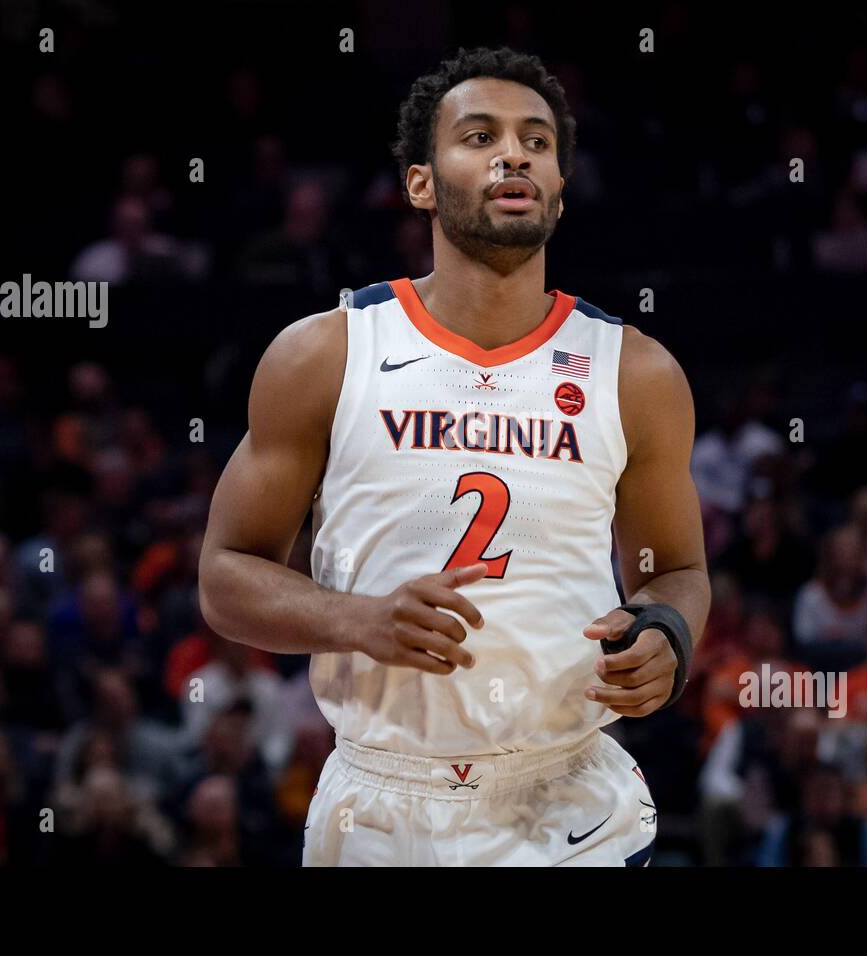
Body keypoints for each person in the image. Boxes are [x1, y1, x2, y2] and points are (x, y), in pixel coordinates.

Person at [199, 47, 710, 867]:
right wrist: (356, 620)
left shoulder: (636, 371)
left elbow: (677, 569)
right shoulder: (324, 354)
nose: (515, 154)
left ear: (559, 189)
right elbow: (224, 574)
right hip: (382, 800)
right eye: (480, 136)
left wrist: (668, 634)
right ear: (421, 184)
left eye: (537, 142)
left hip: (569, 803)